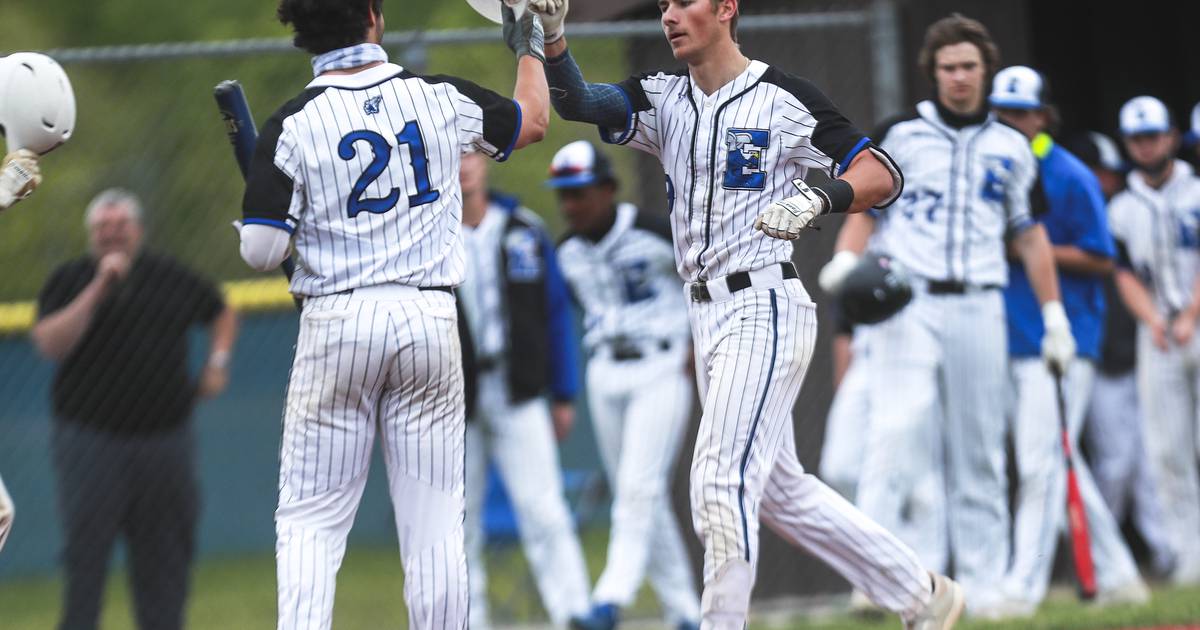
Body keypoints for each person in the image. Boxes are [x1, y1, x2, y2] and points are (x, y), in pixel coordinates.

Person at [533, 1, 963, 628]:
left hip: (764, 304)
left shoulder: (784, 97)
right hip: (705, 315)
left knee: (717, 481)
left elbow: (882, 174)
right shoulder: (662, 98)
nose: (670, 16)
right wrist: (554, 38)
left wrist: (821, 196)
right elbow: (579, 102)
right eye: (662, 6)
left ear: (727, 7)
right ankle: (924, 596)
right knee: (781, 494)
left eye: (685, 2)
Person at [237, 0, 550, 626]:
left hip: (338, 320)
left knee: (311, 520)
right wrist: (530, 46)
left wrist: (253, 222)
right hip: (430, 318)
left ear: (301, 31)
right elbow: (533, 122)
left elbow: (261, 251)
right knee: (435, 522)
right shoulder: (437, 96)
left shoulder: (291, 123)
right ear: (373, 18)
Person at [819, 15, 1073, 616]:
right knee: (897, 430)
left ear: (985, 71)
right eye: (948, 67)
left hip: (981, 302)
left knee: (979, 450)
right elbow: (864, 204)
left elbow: (1030, 237)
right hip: (910, 298)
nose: (959, 77)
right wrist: (843, 260)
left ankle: (981, 589)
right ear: (932, 73)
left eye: (969, 67)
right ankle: (874, 574)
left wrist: (1054, 315)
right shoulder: (902, 134)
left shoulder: (1012, 147)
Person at [31, 189, 238, 630]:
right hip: (90, 442)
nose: (112, 236)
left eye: (120, 226)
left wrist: (217, 363)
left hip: (165, 441)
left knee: (164, 559)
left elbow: (221, 310)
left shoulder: (168, 277)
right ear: (90, 235)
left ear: (138, 230)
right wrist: (99, 286)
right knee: (86, 556)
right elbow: (49, 343)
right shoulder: (70, 279)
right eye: (102, 229)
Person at [989, 65, 1147, 613]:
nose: (1010, 122)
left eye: (1020, 112)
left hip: (1066, 336)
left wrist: (1031, 249)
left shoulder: (1071, 174)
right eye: (1001, 111)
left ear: (1042, 117)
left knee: (1040, 462)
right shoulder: (992, 166)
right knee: (1057, 459)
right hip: (1008, 335)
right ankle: (1123, 577)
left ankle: (1021, 589)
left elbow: (1103, 257)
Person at [548, 140, 701, 630]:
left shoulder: (655, 232)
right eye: (564, 194)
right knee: (640, 495)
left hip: (661, 364)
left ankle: (611, 598)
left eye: (581, 192)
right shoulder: (566, 251)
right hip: (605, 370)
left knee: (637, 488)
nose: (571, 204)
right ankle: (686, 613)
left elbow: (702, 280)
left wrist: (699, 347)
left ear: (608, 189)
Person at [456, 150, 592, 629]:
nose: (462, 164)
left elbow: (555, 314)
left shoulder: (523, 228)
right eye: (452, 153)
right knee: (456, 522)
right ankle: (465, 620)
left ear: (486, 159)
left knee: (543, 508)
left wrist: (563, 392)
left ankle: (573, 612)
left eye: (470, 151)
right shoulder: (429, 232)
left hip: (519, 386)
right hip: (454, 398)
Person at [1065, 131, 1178, 578]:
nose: (1107, 182)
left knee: (1150, 461)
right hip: (1096, 359)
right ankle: (1094, 560)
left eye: (1111, 175)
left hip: (1141, 357)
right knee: (1115, 463)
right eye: (1100, 174)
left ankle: (1166, 554)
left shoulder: (1127, 216)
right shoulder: (1076, 223)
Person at [1108, 95, 1200, 585]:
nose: (1146, 146)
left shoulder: (1196, 190)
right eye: (1136, 139)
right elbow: (1124, 273)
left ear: (1170, 137)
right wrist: (1155, 320)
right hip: (1158, 333)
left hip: (1197, 322)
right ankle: (1191, 562)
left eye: (1153, 136)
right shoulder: (1121, 207)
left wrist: (1189, 313)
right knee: (1168, 450)